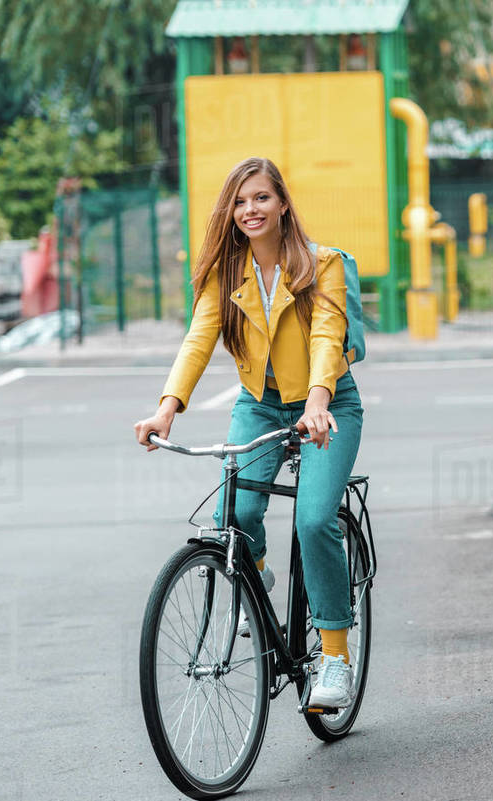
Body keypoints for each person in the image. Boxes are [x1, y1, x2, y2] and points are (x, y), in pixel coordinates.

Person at [134, 156, 364, 710]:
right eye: (239, 201)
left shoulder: (321, 264)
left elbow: (327, 336)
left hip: (327, 403)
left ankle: (335, 656)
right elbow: (199, 337)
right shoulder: (225, 275)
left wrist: (316, 402)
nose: (249, 210)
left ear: (282, 203)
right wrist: (167, 408)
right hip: (259, 405)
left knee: (313, 521)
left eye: (260, 197)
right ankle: (252, 581)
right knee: (234, 515)